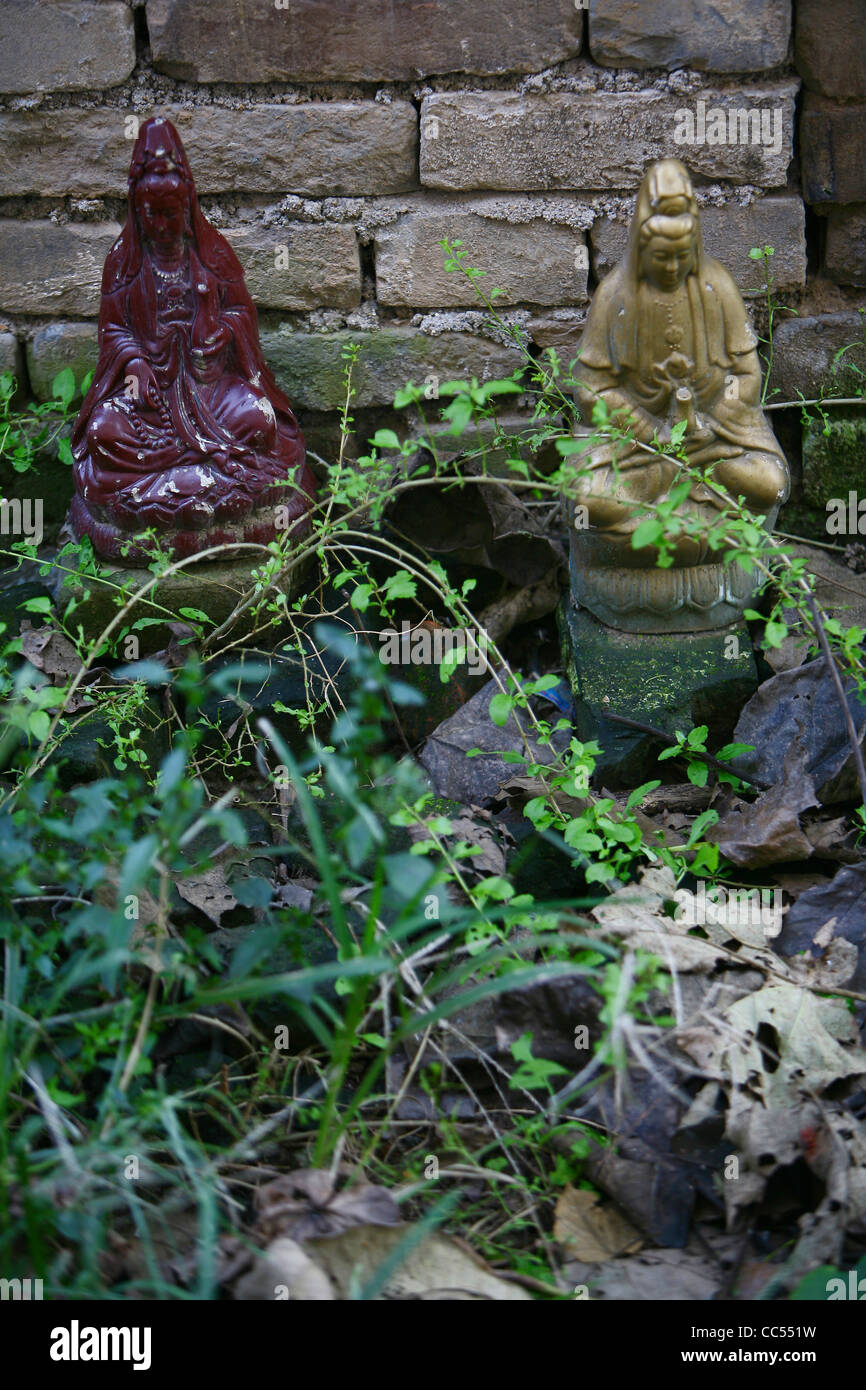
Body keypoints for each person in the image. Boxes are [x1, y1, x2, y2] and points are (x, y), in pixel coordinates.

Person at [71, 116, 315, 562]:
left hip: (211, 391)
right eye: (153, 214)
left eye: (172, 213)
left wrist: (224, 333)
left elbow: (240, 312)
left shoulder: (213, 253)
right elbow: (113, 329)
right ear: (137, 211)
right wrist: (134, 362)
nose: (163, 224)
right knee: (105, 430)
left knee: (258, 418)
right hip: (149, 403)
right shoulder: (123, 265)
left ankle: (168, 487)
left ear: (188, 207)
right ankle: (195, 480)